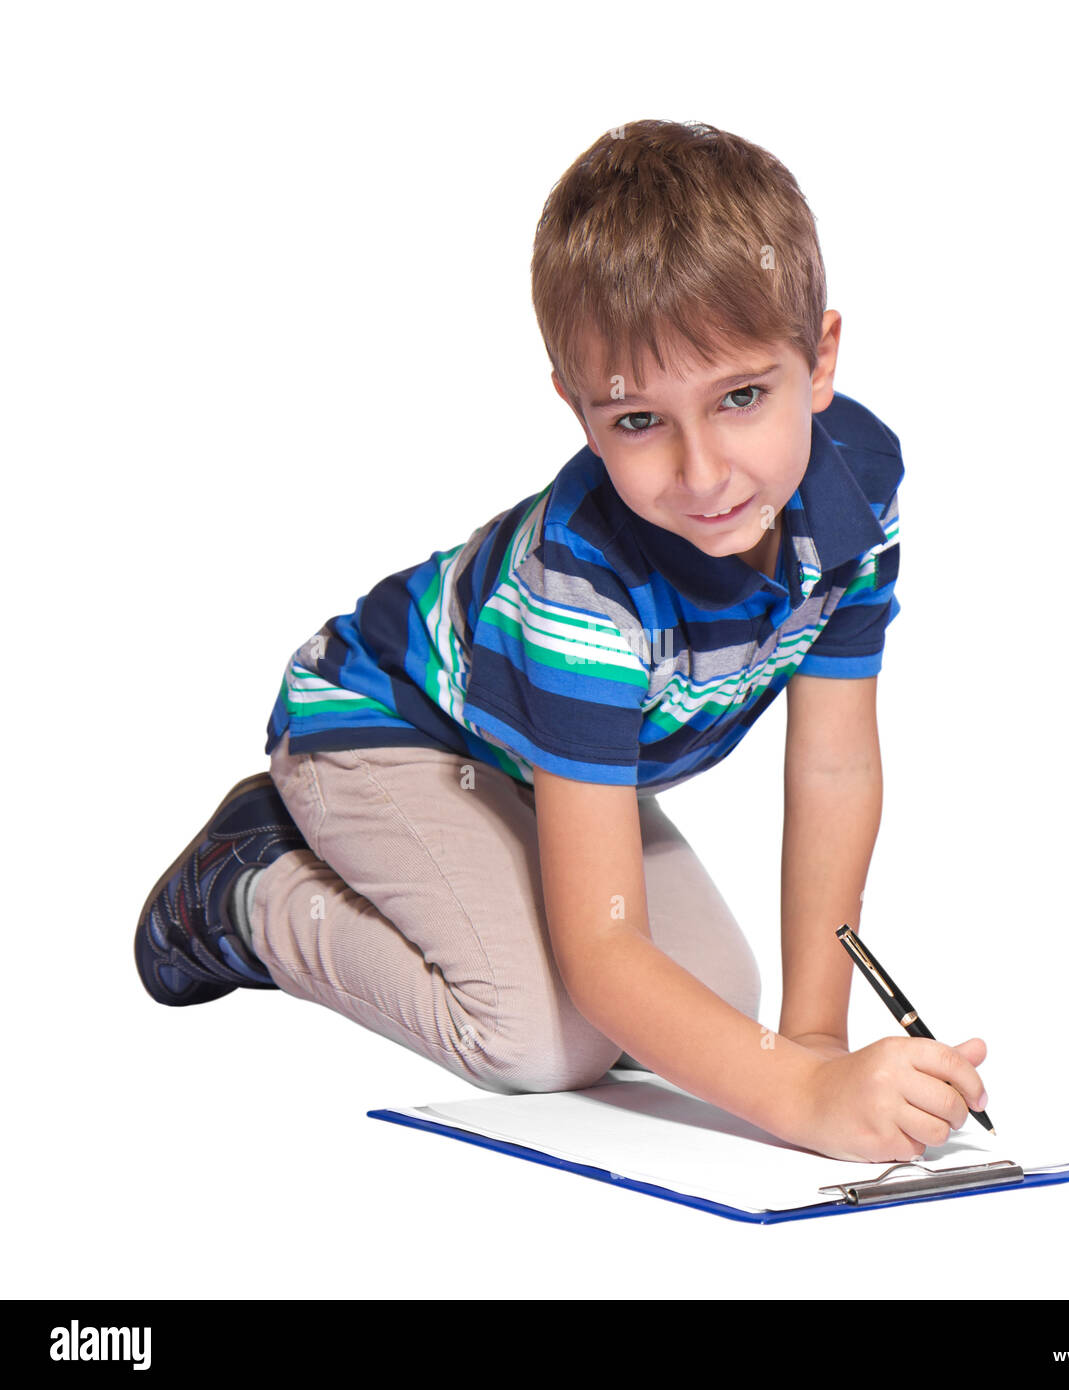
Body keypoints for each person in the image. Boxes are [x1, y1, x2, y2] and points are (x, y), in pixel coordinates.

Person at [134, 119, 988, 1163]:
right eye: (638, 422)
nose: (704, 471)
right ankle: (248, 880)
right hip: (377, 733)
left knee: (723, 1000)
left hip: (531, 765)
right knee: (536, 1039)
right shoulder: (581, 591)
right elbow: (601, 952)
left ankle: (415, 875)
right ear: (577, 411)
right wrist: (803, 1098)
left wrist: (812, 1040)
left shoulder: (859, 484)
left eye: (740, 398)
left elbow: (833, 760)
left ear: (817, 361)